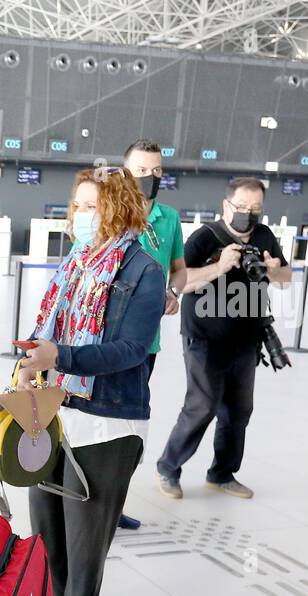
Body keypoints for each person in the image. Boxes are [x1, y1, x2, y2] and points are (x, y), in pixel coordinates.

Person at [14, 167, 164, 596]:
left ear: (118, 207)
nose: (79, 215)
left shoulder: (143, 269)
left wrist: (63, 356)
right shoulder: (76, 261)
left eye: (91, 206)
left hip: (109, 416)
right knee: (45, 511)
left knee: (85, 530)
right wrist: (34, 362)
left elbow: (132, 349)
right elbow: (52, 327)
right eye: (76, 205)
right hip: (55, 404)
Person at [156, 177, 291, 500]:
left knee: (239, 410)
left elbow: (286, 280)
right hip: (203, 338)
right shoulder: (205, 237)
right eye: (242, 207)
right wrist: (220, 265)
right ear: (226, 206)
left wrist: (273, 270)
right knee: (201, 406)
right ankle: (168, 469)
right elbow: (180, 282)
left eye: (255, 208)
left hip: (247, 339)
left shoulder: (263, 236)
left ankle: (222, 473)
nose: (248, 213)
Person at [117, 139, 188, 530]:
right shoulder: (108, 212)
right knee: (98, 425)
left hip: (146, 343)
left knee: (132, 425)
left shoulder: (169, 219)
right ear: (125, 172)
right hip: (103, 338)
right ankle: (89, 504)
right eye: (142, 170)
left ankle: (113, 504)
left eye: (156, 170)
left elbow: (179, 268)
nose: (150, 177)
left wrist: (174, 292)